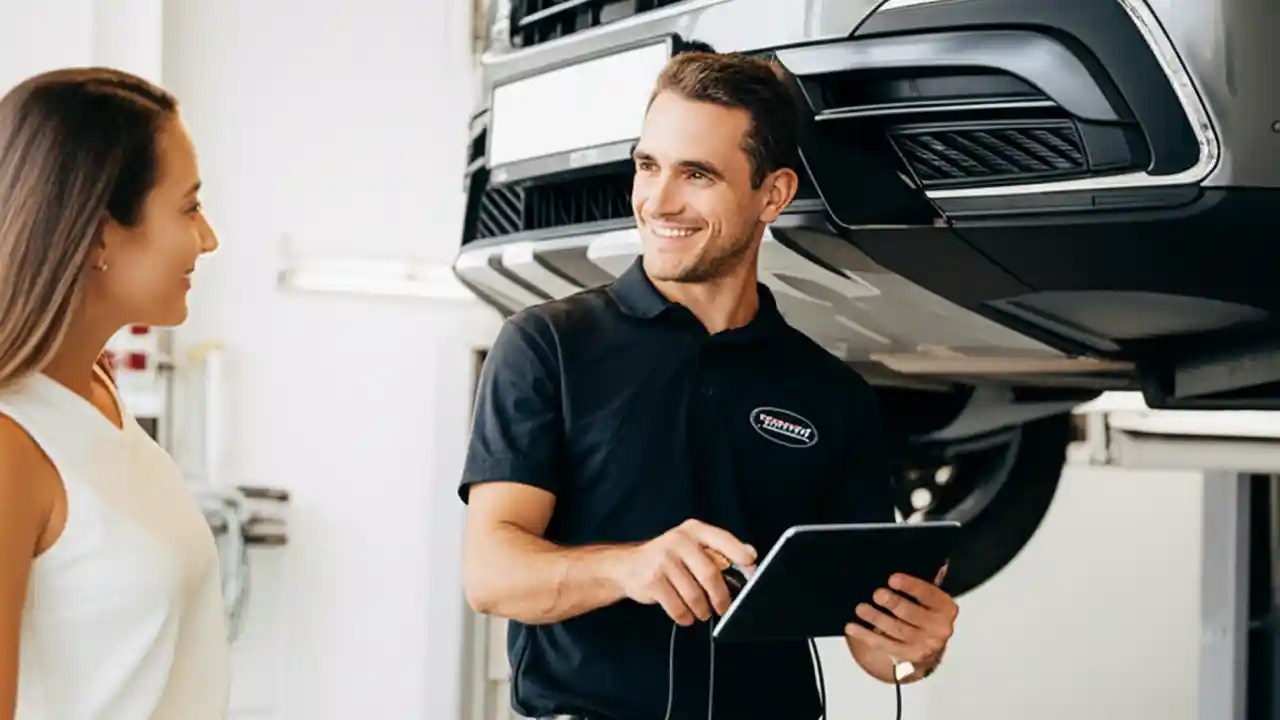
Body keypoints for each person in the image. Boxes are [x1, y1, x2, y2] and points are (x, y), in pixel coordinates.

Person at [460, 51, 960, 719]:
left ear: (773, 195)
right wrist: (628, 567)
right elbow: (491, 575)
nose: (658, 202)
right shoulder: (546, 346)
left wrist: (906, 651)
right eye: (647, 166)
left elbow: (876, 638)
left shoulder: (833, 393)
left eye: (695, 174)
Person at [0, 68, 228, 719]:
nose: (208, 238)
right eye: (188, 207)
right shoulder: (11, 442)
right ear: (102, 233)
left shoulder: (96, 391)